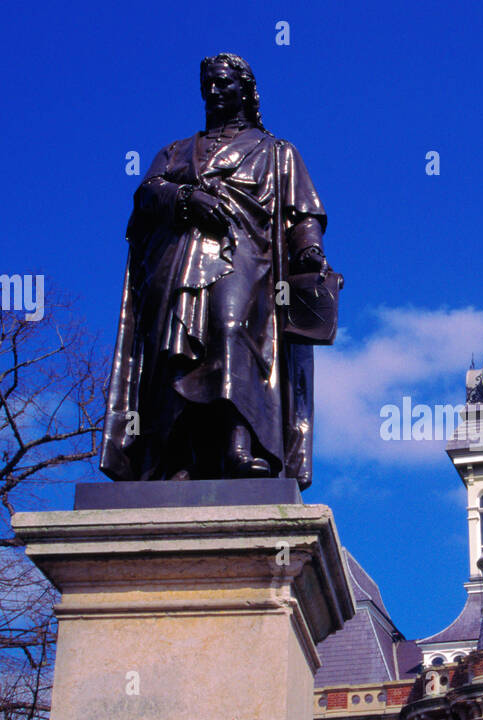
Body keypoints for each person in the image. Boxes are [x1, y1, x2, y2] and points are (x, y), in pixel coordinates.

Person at [100, 53, 339, 486]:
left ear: (245, 90)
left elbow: (302, 214)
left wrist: (310, 251)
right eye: (207, 83)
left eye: (224, 83)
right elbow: (146, 197)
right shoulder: (174, 151)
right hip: (179, 259)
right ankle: (176, 459)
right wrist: (187, 199)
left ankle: (240, 445)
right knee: (171, 353)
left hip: (247, 254)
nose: (214, 90)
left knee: (231, 331)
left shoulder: (276, 151)